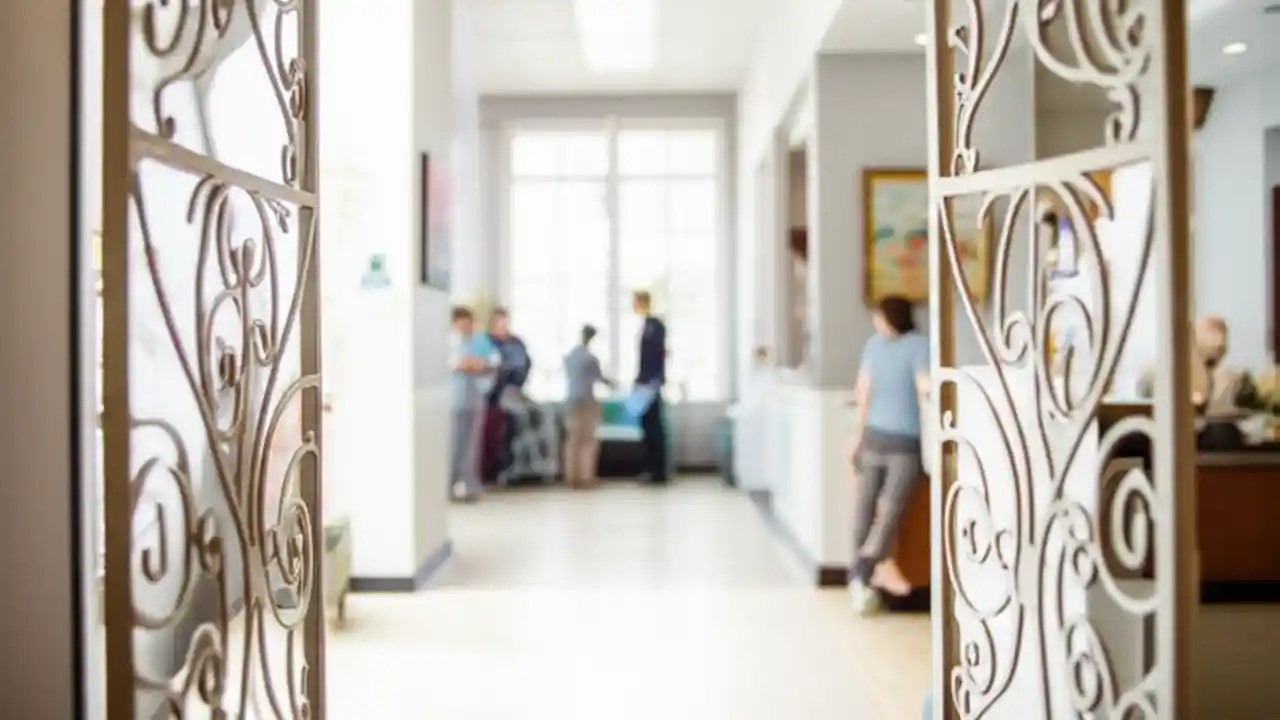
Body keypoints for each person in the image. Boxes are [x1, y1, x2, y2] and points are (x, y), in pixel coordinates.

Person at [849, 295, 930, 614]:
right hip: (899, 441)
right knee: (885, 510)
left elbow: (862, 392)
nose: (876, 322)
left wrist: (858, 434)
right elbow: (925, 387)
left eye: (879, 316)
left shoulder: (881, 346)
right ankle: (863, 572)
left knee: (872, 509)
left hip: (880, 439)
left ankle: (861, 574)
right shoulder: (917, 346)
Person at [450, 306, 497, 502]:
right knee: (452, 444)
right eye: (462, 323)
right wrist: (471, 364)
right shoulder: (448, 342)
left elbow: (492, 362)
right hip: (452, 402)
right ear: (454, 323)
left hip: (474, 400)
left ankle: (469, 484)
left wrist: (475, 364)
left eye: (469, 323)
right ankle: (449, 484)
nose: (466, 327)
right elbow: (456, 364)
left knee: (472, 446)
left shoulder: (480, 341)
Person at [563, 324, 615, 489]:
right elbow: (600, 378)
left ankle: (571, 476)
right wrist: (613, 384)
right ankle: (587, 476)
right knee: (588, 440)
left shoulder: (570, 356)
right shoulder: (590, 358)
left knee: (573, 440)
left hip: (571, 399)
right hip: (586, 400)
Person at [482, 307, 532, 479]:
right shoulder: (486, 342)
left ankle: (504, 467)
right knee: (488, 433)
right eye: (501, 322)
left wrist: (516, 381)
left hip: (511, 392)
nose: (505, 326)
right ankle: (488, 469)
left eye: (506, 322)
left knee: (509, 431)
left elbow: (525, 366)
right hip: (488, 395)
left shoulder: (516, 343)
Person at [632, 291, 669, 485]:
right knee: (647, 427)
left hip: (651, 385)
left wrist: (654, 381)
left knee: (654, 428)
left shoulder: (655, 326)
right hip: (644, 383)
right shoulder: (646, 326)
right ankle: (651, 469)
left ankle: (658, 471)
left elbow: (657, 356)